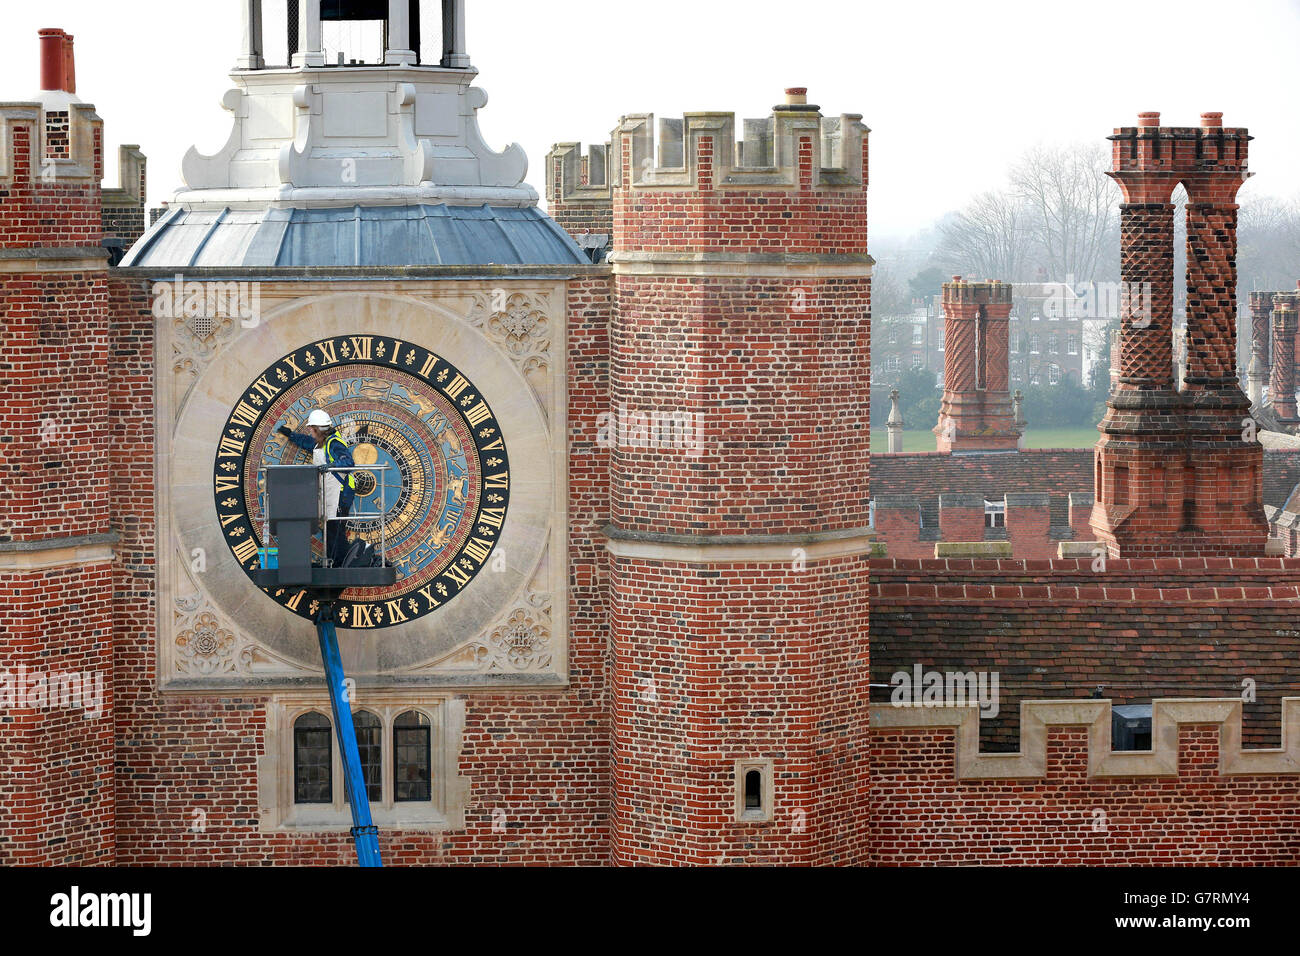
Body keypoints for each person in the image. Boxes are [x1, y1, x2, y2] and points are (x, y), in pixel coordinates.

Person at [277, 410, 356, 568]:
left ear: (318, 429)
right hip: (331, 494)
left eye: (312, 429)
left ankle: (341, 565)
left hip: (341, 494)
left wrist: (331, 466)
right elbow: (307, 442)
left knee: (336, 531)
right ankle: (336, 564)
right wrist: (291, 435)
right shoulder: (322, 442)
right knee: (331, 530)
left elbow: (348, 462)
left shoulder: (334, 443)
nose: (310, 433)